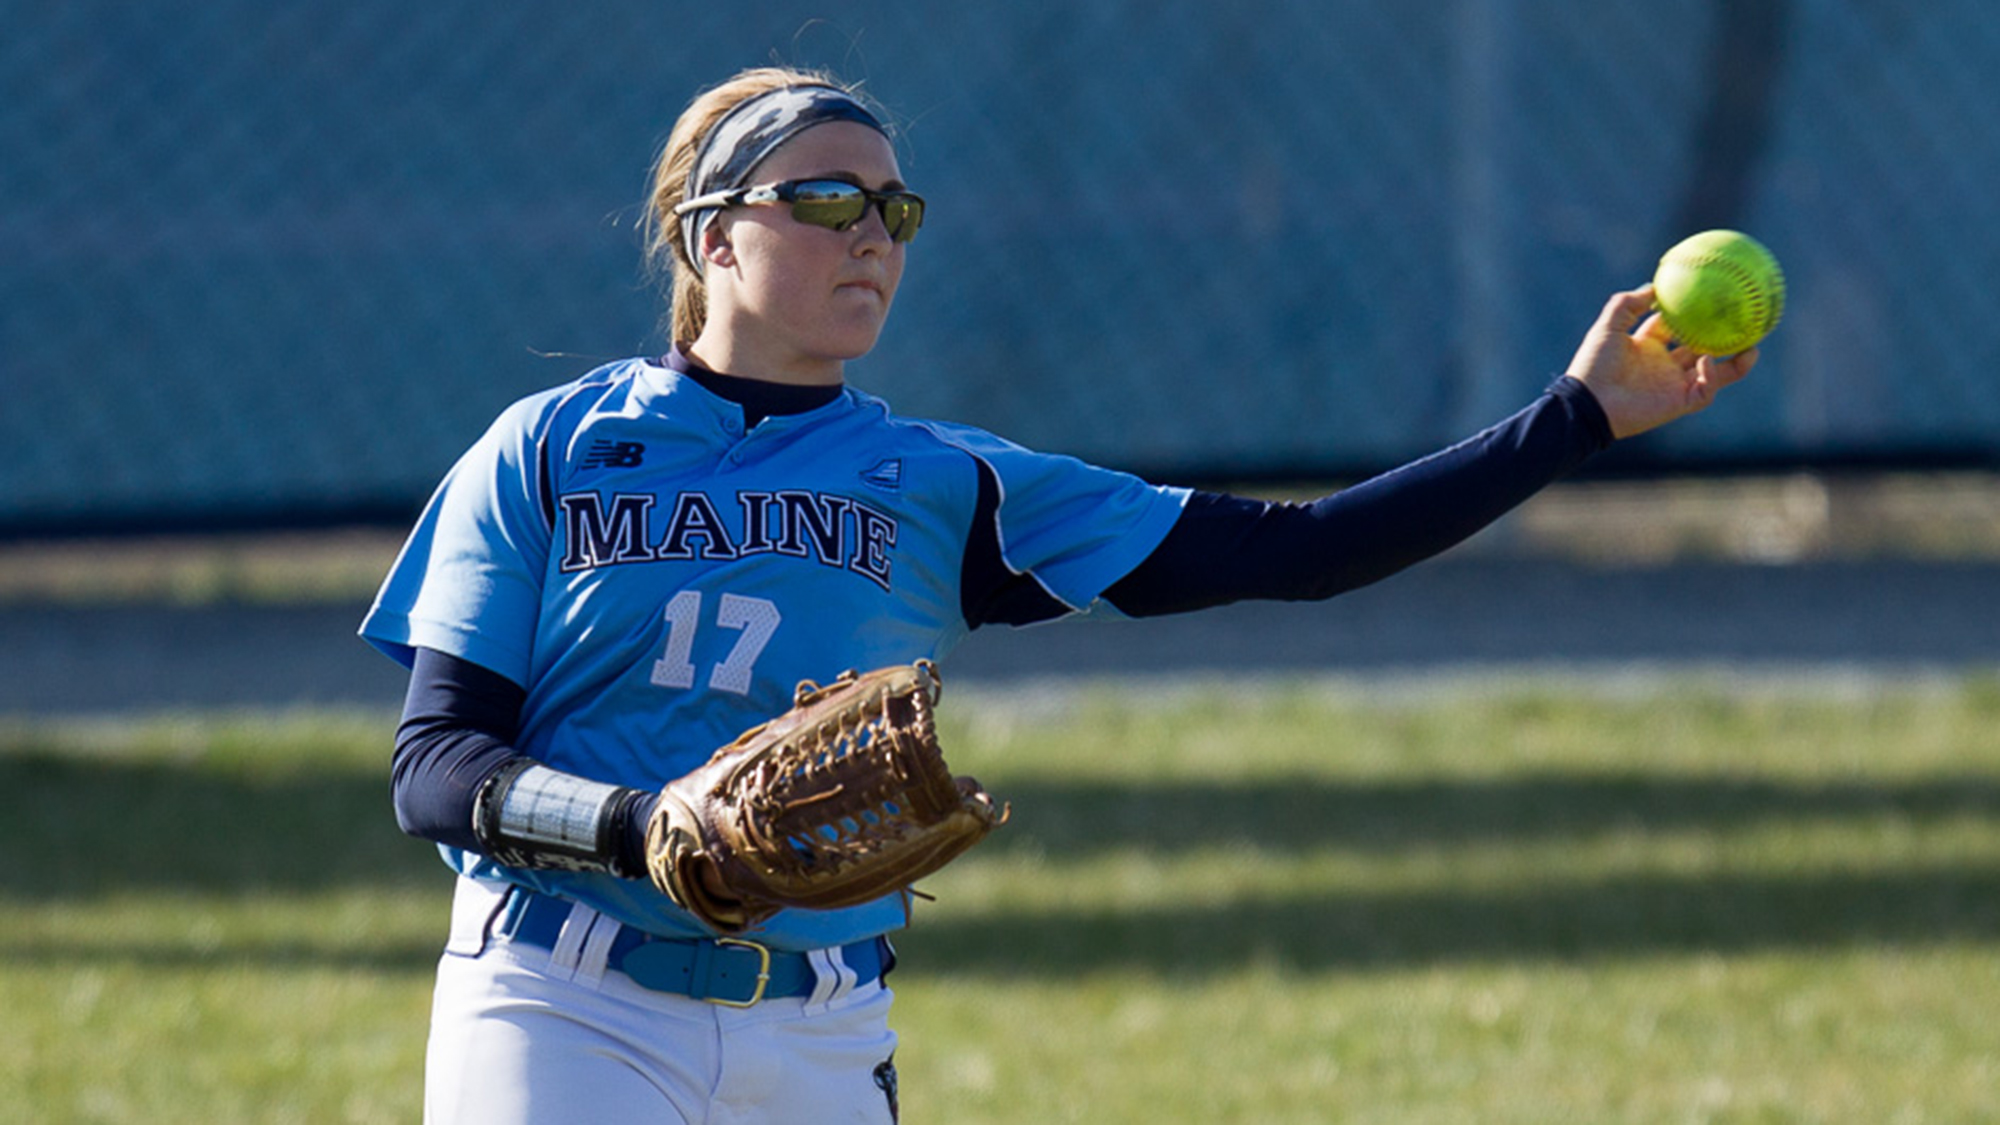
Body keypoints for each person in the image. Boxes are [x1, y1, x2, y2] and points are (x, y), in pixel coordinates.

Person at [360, 65, 1755, 1124]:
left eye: (895, 208)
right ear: (708, 237)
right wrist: (635, 824)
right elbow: (435, 767)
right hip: (559, 1004)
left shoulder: (947, 485)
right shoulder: (548, 448)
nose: (875, 235)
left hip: (820, 1028)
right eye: (828, 199)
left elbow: (1301, 551)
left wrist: (1574, 416)